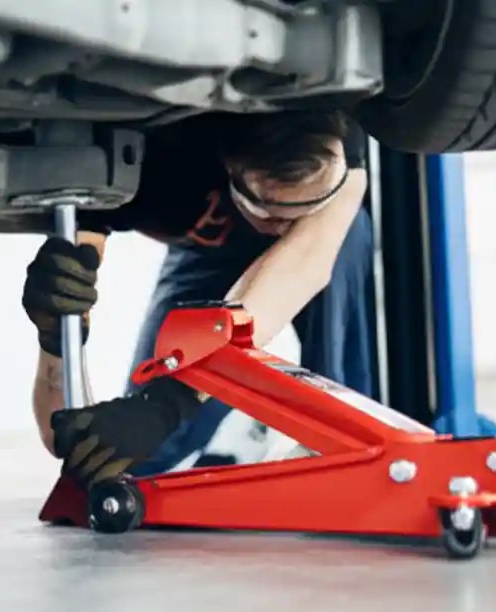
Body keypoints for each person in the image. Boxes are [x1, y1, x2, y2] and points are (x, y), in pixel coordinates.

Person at [22, 110, 375, 487]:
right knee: (129, 452)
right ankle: (244, 430)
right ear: (230, 171)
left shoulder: (338, 133)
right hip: (204, 258)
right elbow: (59, 435)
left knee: (343, 237)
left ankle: (339, 449)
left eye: (305, 210)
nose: (283, 228)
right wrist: (55, 340)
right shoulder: (143, 167)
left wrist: (172, 401)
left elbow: (306, 264)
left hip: (318, 252)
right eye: (271, 213)